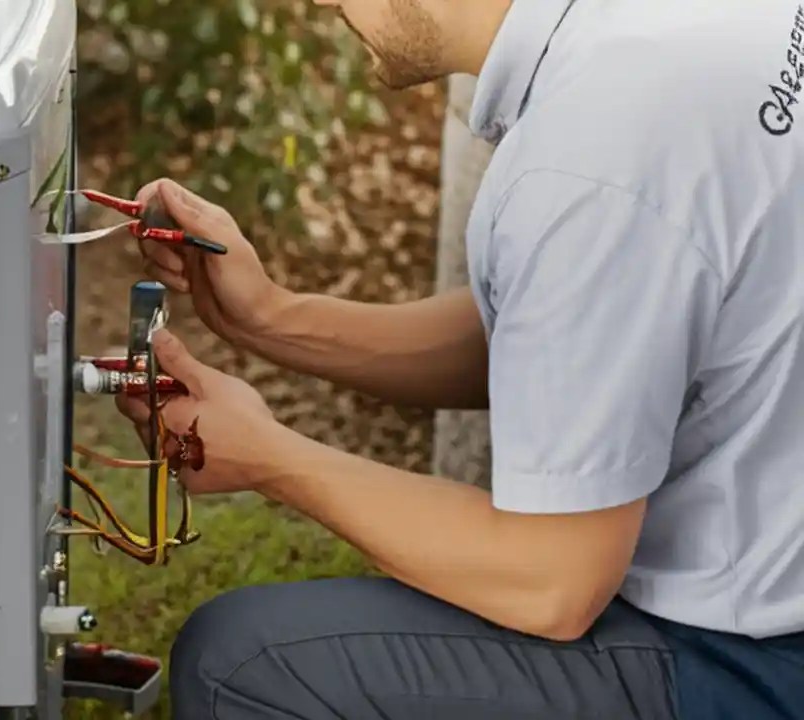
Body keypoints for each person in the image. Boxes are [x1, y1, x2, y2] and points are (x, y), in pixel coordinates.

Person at [114, 0, 804, 718]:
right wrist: (273, 319)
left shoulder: (590, 160)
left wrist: (267, 458)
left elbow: (550, 581)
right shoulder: (661, 35)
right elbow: (568, 336)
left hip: (763, 666)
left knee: (244, 663)